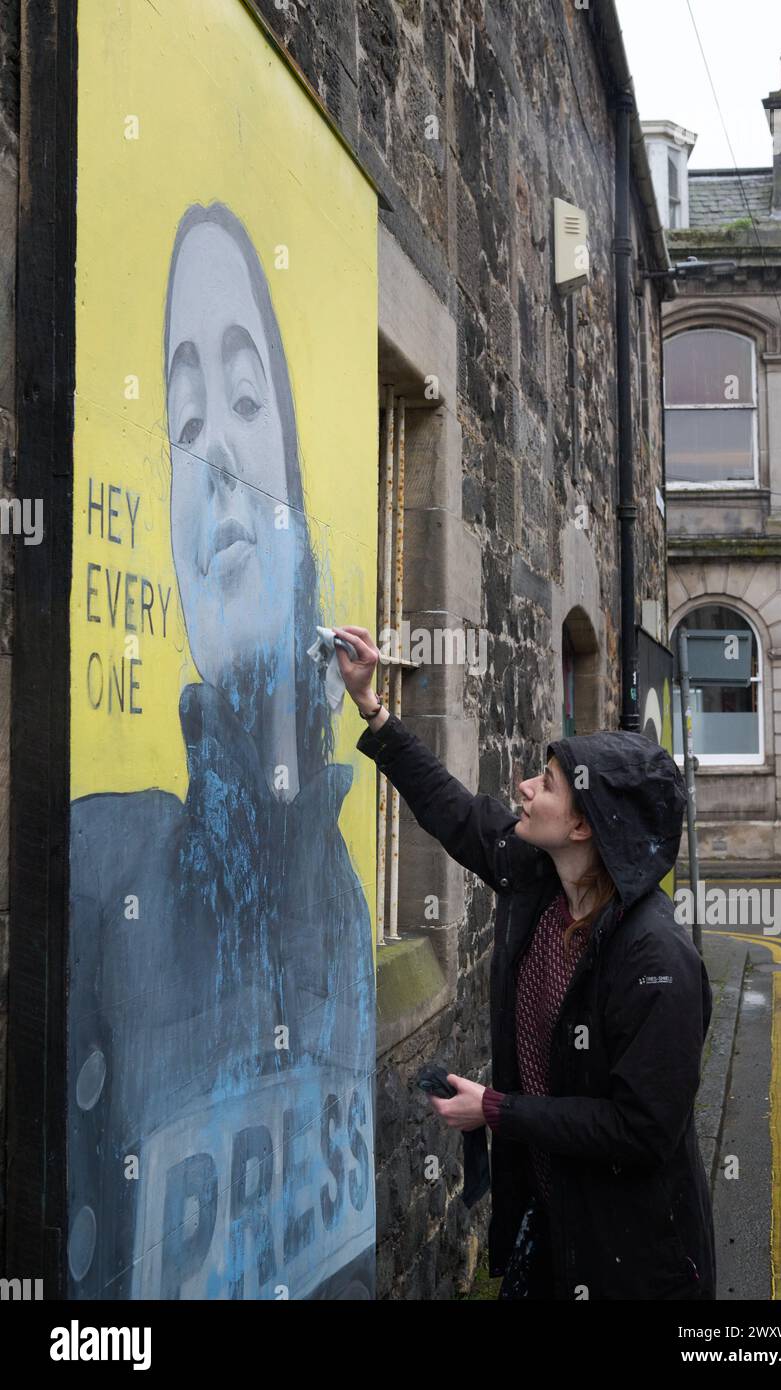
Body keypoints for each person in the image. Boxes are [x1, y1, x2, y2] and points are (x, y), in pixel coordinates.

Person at [67, 203, 375, 1300]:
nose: (214, 454)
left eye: (245, 402)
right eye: (182, 420)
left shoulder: (342, 900)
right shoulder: (99, 867)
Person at [335, 623, 717, 1301]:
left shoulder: (658, 961)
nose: (522, 788)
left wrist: (497, 1111)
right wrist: (370, 705)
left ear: (582, 826)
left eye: (544, 782)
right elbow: (452, 812)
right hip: (549, 1219)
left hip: (629, 1256)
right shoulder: (537, 876)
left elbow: (640, 1130)